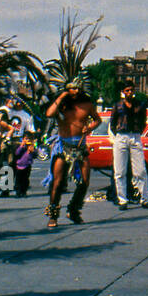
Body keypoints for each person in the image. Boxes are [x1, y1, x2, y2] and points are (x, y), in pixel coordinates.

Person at [45, 86, 102, 225]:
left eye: (77, 88)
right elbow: (49, 113)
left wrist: (89, 128)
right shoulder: (62, 105)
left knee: (84, 182)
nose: (74, 91)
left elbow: (97, 120)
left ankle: (73, 210)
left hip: (80, 147)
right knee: (57, 183)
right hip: (63, 146)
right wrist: (61, 96)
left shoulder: (87, 105)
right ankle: (53, 215)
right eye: (70, 88)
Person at [109, 81, 148, 210]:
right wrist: (119, 134)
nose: (129, 93)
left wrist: (137, 132)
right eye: (127, 90)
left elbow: (144, 122)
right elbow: (112, 123)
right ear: (123, 92)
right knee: (120, 171)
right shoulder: (118, 105)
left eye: (131, 90)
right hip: (121, 136)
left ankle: (145, 199)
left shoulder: (140, 105)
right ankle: (122, 200)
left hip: (135, 137)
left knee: (140, 170)